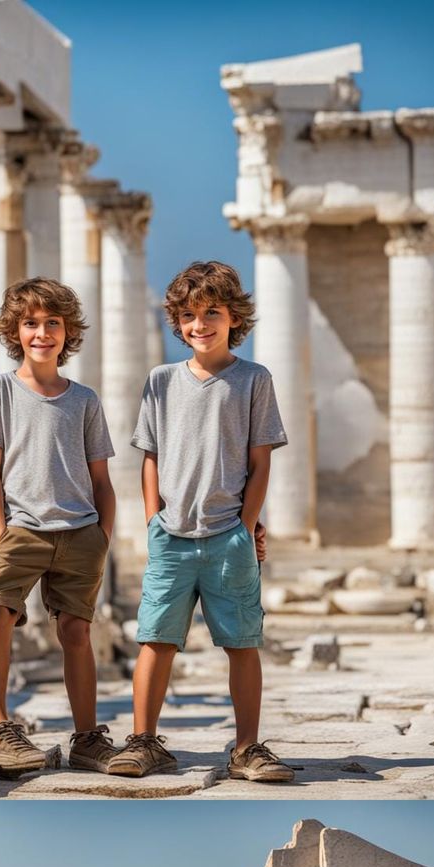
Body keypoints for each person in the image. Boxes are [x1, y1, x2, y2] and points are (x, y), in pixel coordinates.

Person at [107, 259, 292, 782]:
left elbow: (261, 463)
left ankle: (247, 748)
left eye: (212, 312)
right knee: (156, 640)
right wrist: (152, 521)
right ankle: (143, 741)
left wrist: (244, 525)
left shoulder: (255, 380)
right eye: (189, 315)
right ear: (177, 321)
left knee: (242, 643)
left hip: (228, 535)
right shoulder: (160, 381)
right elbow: (150, 457)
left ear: (234, 317)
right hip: (171, 535)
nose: (200, 324)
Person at [0, 277, 120, 777]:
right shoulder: (0, 390)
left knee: (76, 632)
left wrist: (103, 537)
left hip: (81, 532)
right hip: (22, 529)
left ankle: (87, 739)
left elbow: (101, 476)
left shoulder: (85, 400)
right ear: (15, 331)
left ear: (67, 331)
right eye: (30, 323)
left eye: (52, 323)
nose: (41, 333)